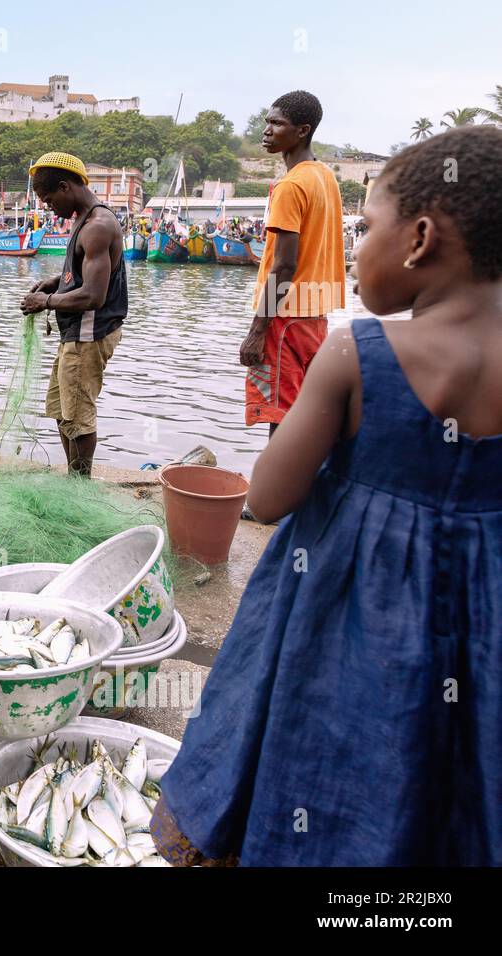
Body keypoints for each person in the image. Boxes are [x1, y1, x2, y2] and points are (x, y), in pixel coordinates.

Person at [152, 125, 502, 866]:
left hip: (341, 619)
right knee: (459, 769)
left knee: (329, 753)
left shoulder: (359, 354)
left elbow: (271, 496)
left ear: (420, 238)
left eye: (365, 228)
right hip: (484, 627)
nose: (353, 250)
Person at [241, 91, 345, 442]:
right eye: (267, 121)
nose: (267, 130)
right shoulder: (325, 178)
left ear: (302, 130)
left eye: (277, 123)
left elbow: (285, 265)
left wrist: (258, 331)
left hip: (285, 318)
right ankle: (299, 492)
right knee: (303, 412)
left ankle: (272, 496)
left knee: (280, 416)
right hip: (315, 318)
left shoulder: (290, 185)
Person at [20, 152, 127, 478]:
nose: (48, 207)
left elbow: (93, 296)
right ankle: (72, 474)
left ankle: (79, 483)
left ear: (66, 187)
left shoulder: (98, 225)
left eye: (50, 199)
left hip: (88, 334)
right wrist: (57, 280)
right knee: (62, 408)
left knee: (78, 413)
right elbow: (83, 272)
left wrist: (47, 301)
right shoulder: (82, 216)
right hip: (74, 333)